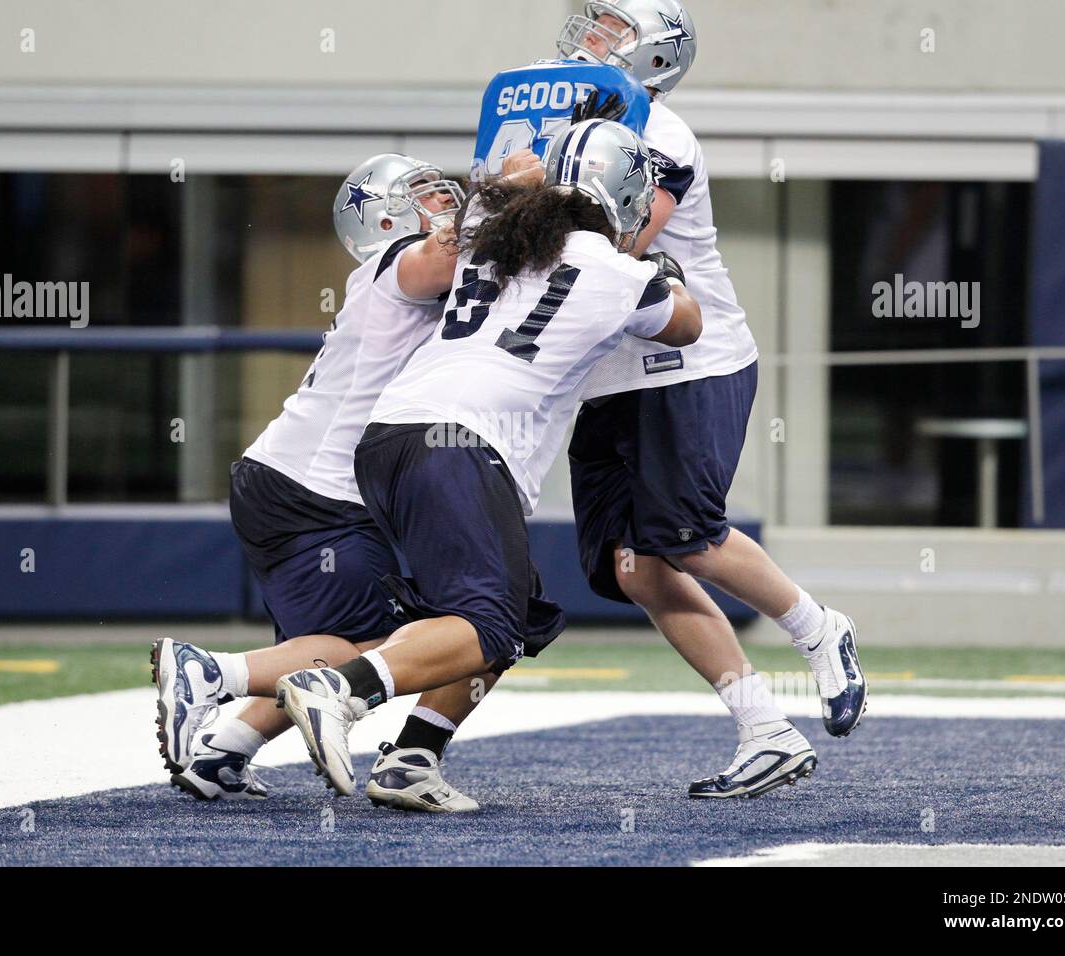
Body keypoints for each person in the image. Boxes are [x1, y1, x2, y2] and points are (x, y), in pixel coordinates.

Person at [276, 120, 704, 800]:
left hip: (393, 434)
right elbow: (687, 325)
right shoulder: (619, 272)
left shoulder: (487, 230)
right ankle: (338, 688)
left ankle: (413, 759)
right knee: (485, 626)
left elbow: (508, 177)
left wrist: (529, 172)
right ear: (617, 192)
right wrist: (664, 271)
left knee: (516, 613)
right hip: (464, 441)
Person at [550, 0, 866, 796]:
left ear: (654, 56)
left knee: (685, 535)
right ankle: (763, 729)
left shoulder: (658, 132)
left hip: (689, 360)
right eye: (588, 24)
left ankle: (818, 627)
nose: (589, 41)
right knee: (635, 569)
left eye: (609, 31)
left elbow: (618, 239)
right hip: (610, 374)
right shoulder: (558, 127)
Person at [151, 152, 480, 804]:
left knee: (323, 650)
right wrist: (514, 200)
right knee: (397, 643)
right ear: (386, 220)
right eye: (425, 197)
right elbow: (442, 258)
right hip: (318, 496)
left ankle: (224, 752)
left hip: (300, 486)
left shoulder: (411, 279)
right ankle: (210, 672)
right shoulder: (398, 266)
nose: (446, 204)